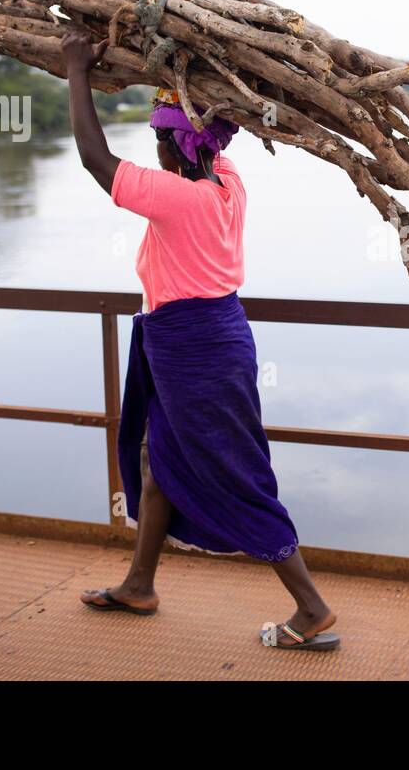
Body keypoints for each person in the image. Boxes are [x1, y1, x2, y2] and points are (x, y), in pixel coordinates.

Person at [60, 33, 338, 651]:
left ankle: (312, 607)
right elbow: (212, 131)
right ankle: (139, 585)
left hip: (196, 347)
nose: (153, 151)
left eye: (159, 139)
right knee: (156, 460)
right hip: (199, 337)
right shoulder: (227, 182)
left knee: (236, 473)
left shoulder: (177, 198)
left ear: (175, 147)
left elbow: (91, 156)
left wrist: (75, 71)